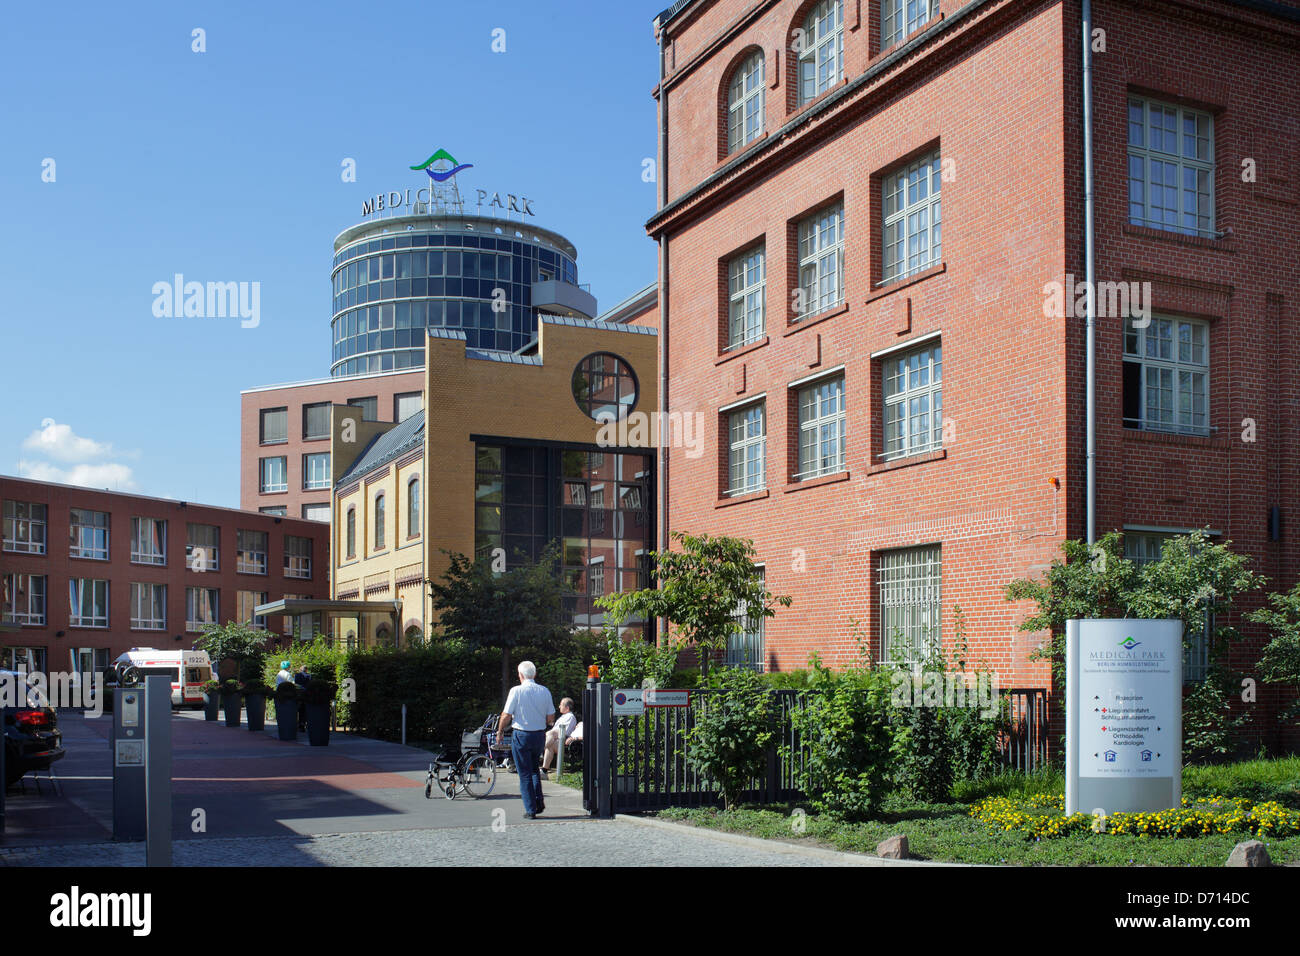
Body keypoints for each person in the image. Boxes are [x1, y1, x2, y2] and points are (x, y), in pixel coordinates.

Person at [496, 661, 553, 819]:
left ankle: (530, 809)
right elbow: (550, 717)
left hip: (521, 734)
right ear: (534, 674)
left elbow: (506, 715)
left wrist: (500, 731)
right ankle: (538, 801)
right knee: (534, 769)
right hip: (539, 735)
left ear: (520, 675)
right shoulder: (545, 691)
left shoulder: (516, 691)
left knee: (524, 773)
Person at [540, 697, 577, 776]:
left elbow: (564, 732)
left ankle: (538, 752)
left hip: (565, 743)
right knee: (550, 745)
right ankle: (544, 770)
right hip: (557, 741)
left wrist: (551, 733)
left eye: (561, 705)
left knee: (550, 734)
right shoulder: (563, 717)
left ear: (567, 708)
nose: (559, 706)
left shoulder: (570, 717)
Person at [293, 664, 311, 730]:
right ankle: (302, 724)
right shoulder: (309, 676)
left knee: (298, 709)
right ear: (306, 670)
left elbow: (296, 684)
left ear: (300, 669)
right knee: (304, 710)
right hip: (306, 695)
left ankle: (299, 724)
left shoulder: (297, 675)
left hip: (299, 694)